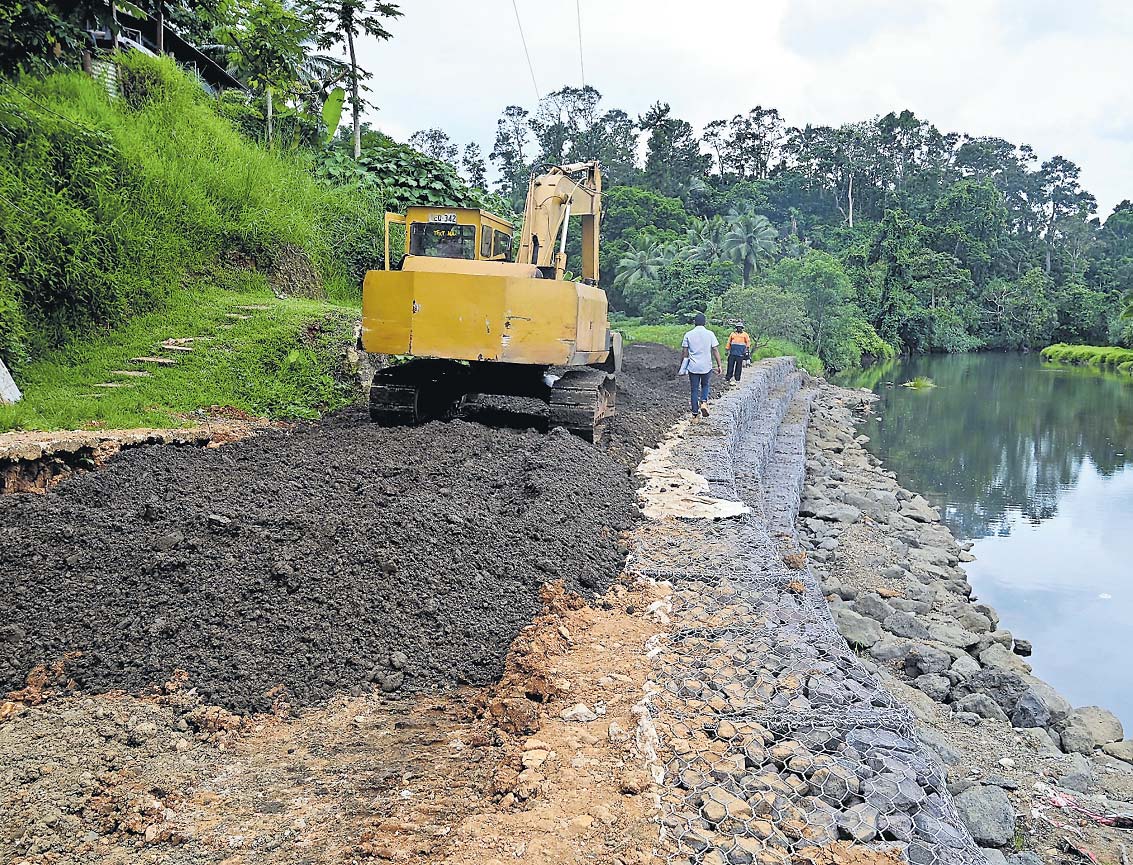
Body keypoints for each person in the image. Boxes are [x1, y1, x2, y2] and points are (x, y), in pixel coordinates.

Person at [680, 312, 722, 418]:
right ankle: (703, 402)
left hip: (693, 366)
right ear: (705, 322)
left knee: (694, 389)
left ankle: (695, 413)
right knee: (705, 385)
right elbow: (715, 350)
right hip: (706, 366)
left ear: (694, 322)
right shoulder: (710, 334)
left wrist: (683, 366)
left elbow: (685, 352)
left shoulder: (688, 334)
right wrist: (719, 365)